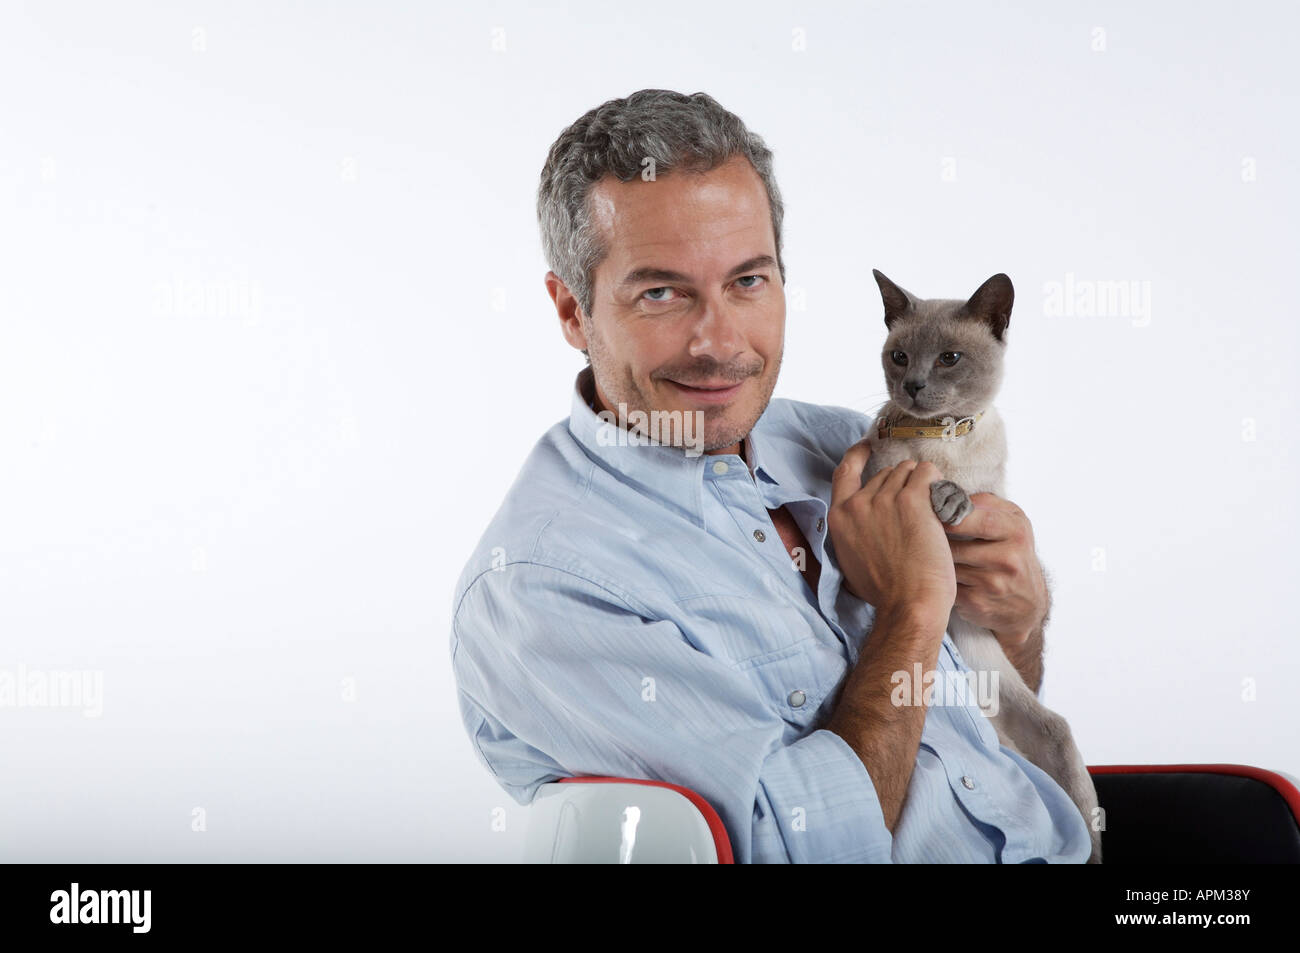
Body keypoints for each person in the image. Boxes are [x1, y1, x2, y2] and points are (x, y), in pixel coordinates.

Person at [449, 88, 1091, 863]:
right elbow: (810, 845)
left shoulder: (844, 444)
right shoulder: (541, 587)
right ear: (572, 311)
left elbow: (989, 720)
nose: (719, 341)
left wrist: (1016, 623)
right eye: (661, 291)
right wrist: (914, 608)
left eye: (748, 281)